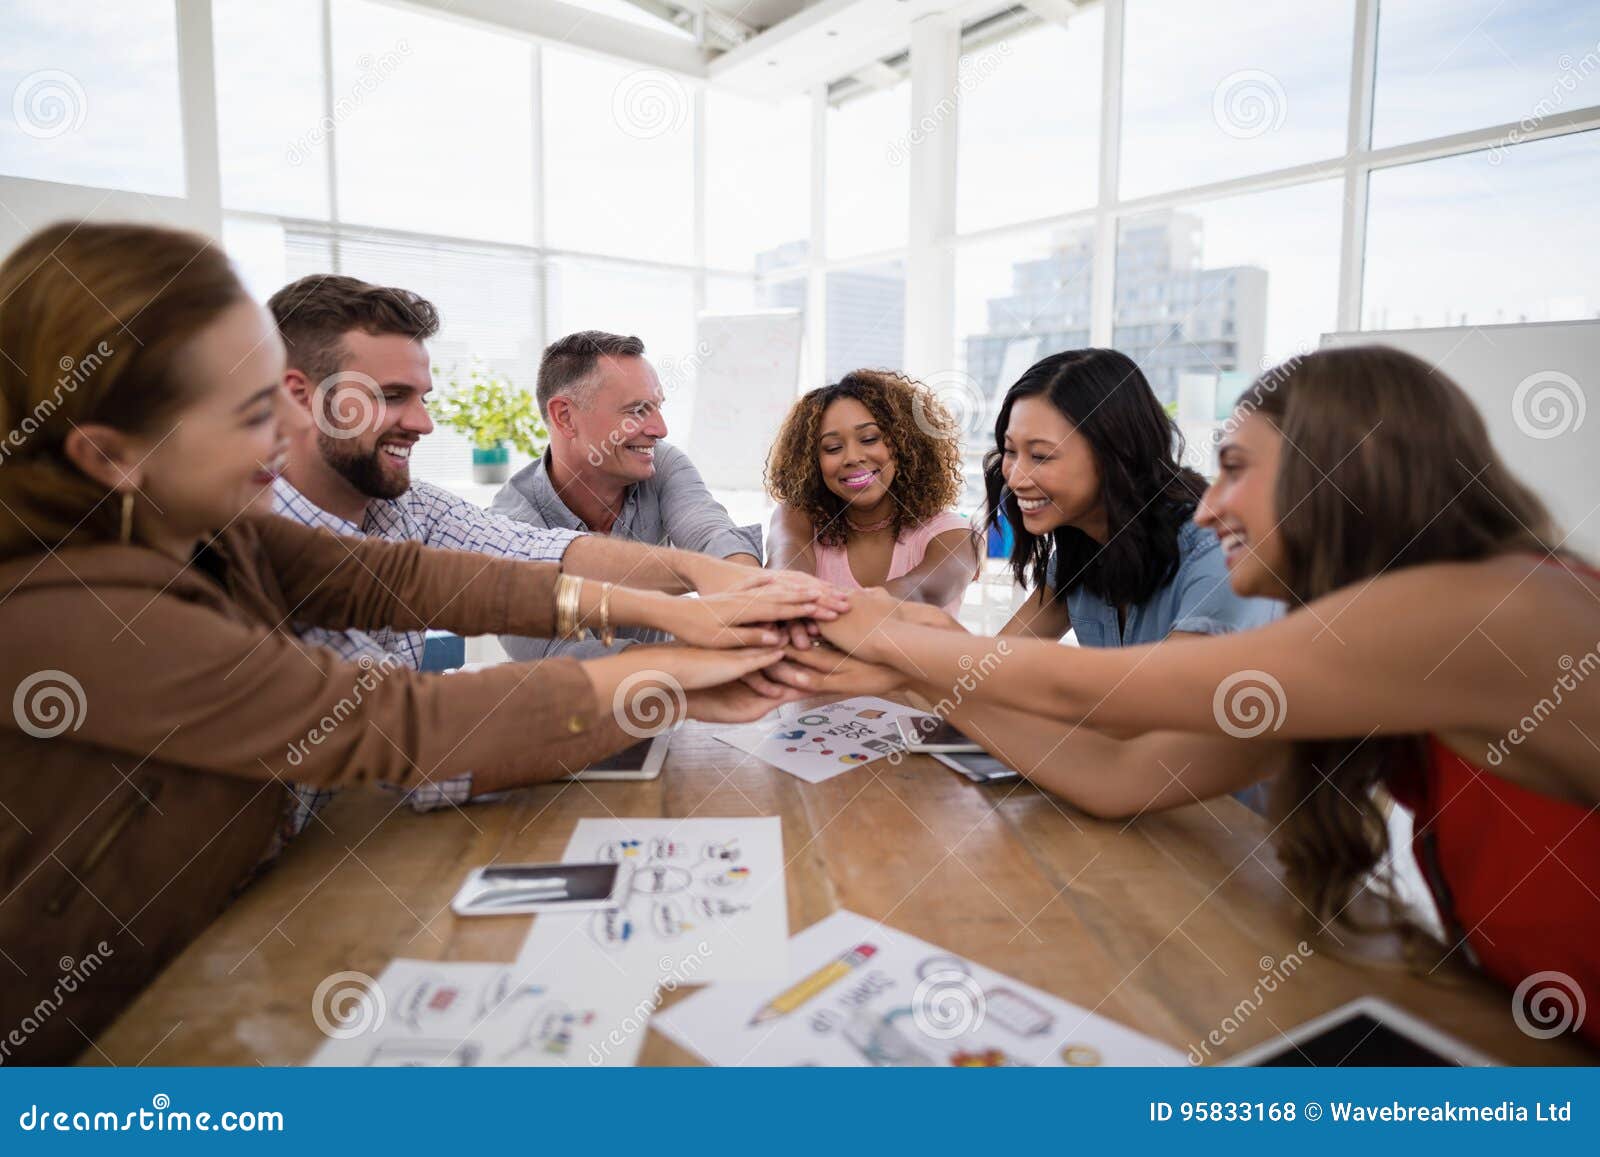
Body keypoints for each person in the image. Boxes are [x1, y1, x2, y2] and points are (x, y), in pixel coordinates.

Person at [0, 222, 833, 1063]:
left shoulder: (207, 525)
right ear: (110, 455)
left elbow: (415, 578)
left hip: (246, 926)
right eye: (259, 411)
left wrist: (686, 614)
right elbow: (392, 718)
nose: (289, 434)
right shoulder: (68, 612)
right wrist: (673, 673)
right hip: (93, 1040)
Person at [776, 346, 1600, 1045]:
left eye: (1237, 469)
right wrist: (913, 665)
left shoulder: (1501, 608)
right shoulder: (1354, 656)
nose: (1207, 502)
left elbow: (1119, 694)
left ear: (1341, 473)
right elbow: (1120, 777)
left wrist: (891, 637)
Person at [268, 276, 827, 824]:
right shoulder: (262, 553)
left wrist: (717, 585)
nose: (424, 423)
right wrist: (678, 673)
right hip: (299, 859)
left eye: (422, 397)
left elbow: (534, 558)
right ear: (300, 398)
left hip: (373, 826)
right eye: (392, 397)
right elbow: (423, 742)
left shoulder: (407, 504)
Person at [491, 330, 763, 660]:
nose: (660, 429)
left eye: (657, 408)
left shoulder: (660, 463)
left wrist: (754, 600)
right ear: (565, 416)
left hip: (671, 696)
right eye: (637, 410)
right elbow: (564, 659)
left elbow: (712, 536)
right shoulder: (508, 524)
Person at [985, 349, 1275, 646]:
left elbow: (1160, 690)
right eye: (1010, 451)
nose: (1016, 478)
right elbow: (994, 665)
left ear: (1115, 453)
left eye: (1040, 455)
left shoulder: (1215, 551)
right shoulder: (1082, 552)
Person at [764, 370, 979, 616]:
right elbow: (785, 577)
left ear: (904, 443)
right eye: (833, 448)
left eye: (869, 439)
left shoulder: (954, 536)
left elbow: (919, 594)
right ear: (813, 462)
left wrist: (817, 610)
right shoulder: (798, 518)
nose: (853, 457)